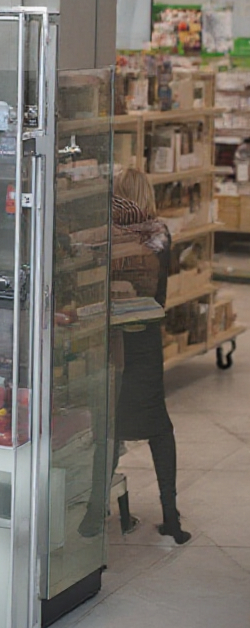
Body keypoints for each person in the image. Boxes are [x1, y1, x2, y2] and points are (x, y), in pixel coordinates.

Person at [82, 167, 190, 544]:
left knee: (106, 429)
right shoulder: (158, 236)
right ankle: (171, 517)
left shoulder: (101, 236)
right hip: (144, 340)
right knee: (159, 427)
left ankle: (93, 517)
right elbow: (160, 296)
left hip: (107, 342)